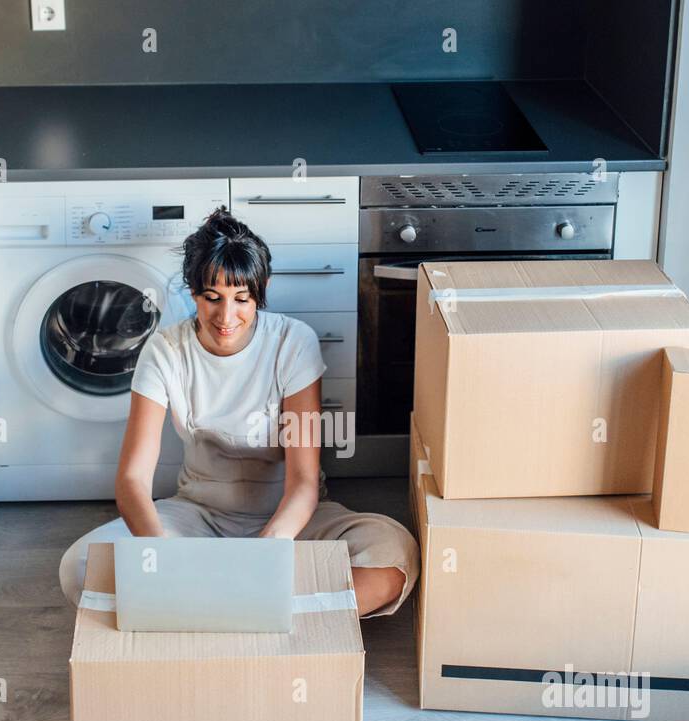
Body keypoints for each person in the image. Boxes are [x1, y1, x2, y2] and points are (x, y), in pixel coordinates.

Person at [59, 206, 419, 618]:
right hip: (197, 516)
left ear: (260, 290)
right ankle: (263, 613)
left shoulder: (292, 342)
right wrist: (160, 553)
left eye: (241, 299)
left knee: (394, 556)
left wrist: (264, 556)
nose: (226, 317)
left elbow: (303, 482)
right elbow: (132, 478)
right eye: (212, 298)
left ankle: (209, 611)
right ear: (193, 292)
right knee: (80, 566)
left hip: (290, 521)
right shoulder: (165, 350)